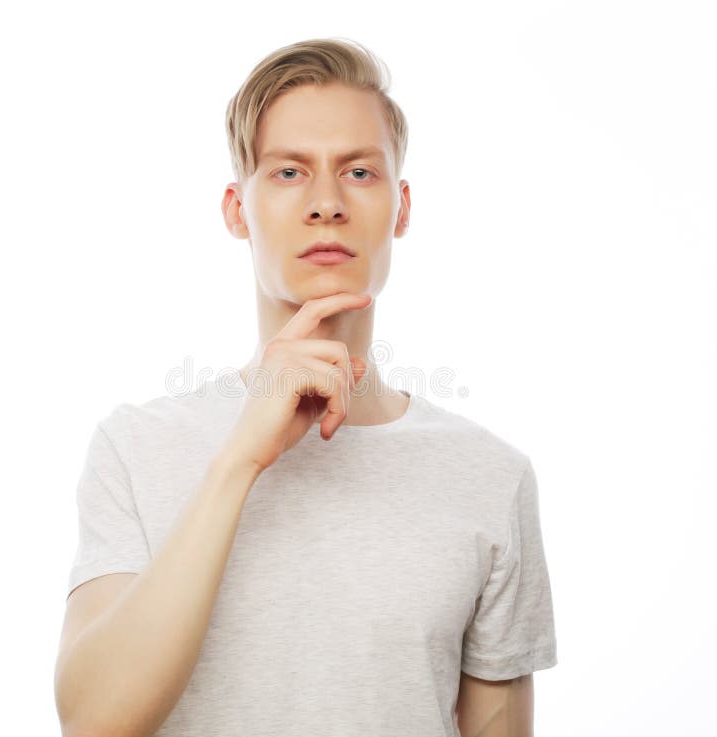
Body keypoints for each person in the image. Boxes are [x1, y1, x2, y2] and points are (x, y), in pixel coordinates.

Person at [54, 37, 558, 737]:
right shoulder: (134, 448)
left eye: (359, 171)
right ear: (237, 209)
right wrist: (240, 459)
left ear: (401, 207)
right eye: (289, 172)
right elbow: (92, 722)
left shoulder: (490, 476)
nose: (326, 203)